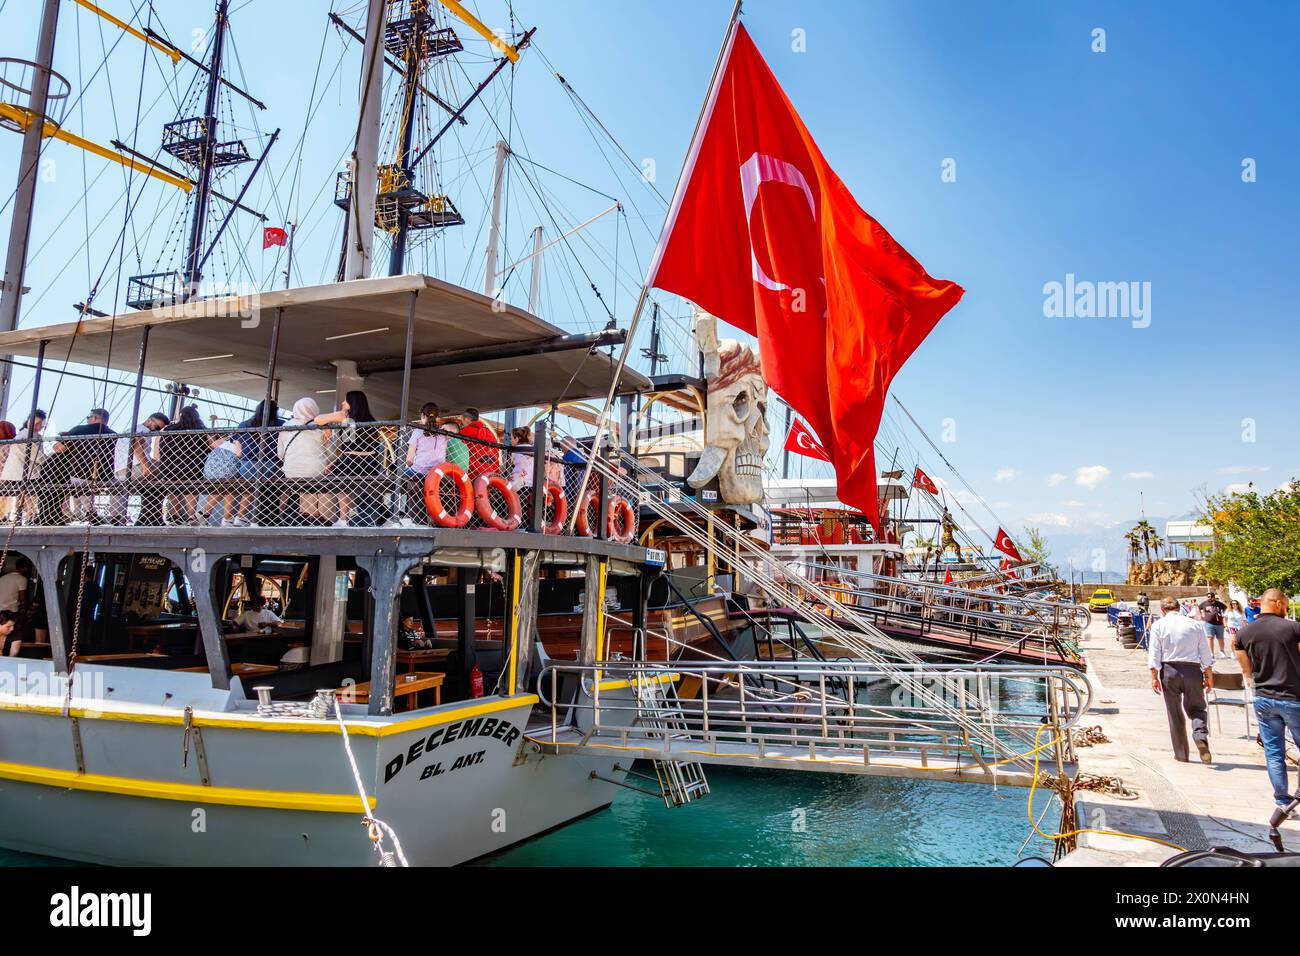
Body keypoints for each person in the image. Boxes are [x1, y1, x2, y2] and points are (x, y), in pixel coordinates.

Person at [1234, 589, 1300, 813]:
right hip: (1293, 697)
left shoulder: (1244, 633)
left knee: (1274, 753)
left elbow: (1246, 669)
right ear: (1278, 604)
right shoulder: (1292, 628)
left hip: (1263, 697)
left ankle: (1283, 803)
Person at [1147, 596, 1215, 763]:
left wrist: (1154, 676)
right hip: (1192, 670)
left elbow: (1154, 652)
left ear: (1163, 610)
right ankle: (1199, 734)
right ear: (1179, 608)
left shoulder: (1158, 625)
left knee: (1174, 713)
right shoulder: (1195, 625)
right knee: (1197, 707)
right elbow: (1205, 652)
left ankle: (1181, 754)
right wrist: (1209, 675)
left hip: (1169, 670)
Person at [315, 390, 384, 527]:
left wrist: (326, 424)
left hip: (351, 464)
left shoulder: (346, 418)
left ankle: (343, 518)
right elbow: (354, 449)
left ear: (352, 404)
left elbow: (317, 419)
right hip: (371, 464)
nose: (342, 403)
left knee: (340, 483)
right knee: (360, 487)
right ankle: (359, 513)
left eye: (345, 401)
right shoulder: (371, 422)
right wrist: (328, 426)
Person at [278, 397, 332, 525]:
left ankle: (308, 516)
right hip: (317, 472)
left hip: (291, 472)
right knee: (322, 478)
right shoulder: (321, 428)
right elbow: (331, 455)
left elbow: (280, 454)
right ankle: (325, 518)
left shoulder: (285, 427)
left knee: (305, 484)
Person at [233, 400, 283, 526]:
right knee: (278, 483)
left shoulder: (244, 425)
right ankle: (277, 517)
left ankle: (240, 517)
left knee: (250, 487)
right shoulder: (281, 425)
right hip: (271, 466)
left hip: (247, 467)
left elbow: (238, 453)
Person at [157, 406, 208, 524]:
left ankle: (175, 516)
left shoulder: (169, 429)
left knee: (174, 490)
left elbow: (161, 449)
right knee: (191, 490)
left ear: (180, 415)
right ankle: (191, 517)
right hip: (192, 467)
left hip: (169, 468)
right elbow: (205, 448)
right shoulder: (200, 430)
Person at [0, 410, 44, 522]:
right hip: (19, 473)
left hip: (25, 473)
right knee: (22, 497)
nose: (36, 426)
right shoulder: (24, 436)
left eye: (39, 424)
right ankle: (18, 519)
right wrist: (49, 462)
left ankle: (22, 518)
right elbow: (38, 457)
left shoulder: (35, 436)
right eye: (34, 422)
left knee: (25, 497)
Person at [201, 429, 242, 525]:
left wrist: (226, 439)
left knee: (221, 487)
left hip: (211, 472)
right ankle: (227, 518)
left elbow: (212, 445)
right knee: (231, 487)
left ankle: (205, 514)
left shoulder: (222, 442)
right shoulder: (238, 442)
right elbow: (239, 454)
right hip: (228, 473)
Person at [405, 402, 446, 478]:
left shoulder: (417, 431)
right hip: (438, 474)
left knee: (400, 474)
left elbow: (409, 460)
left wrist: (412, 466)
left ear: (422, 416)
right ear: (437, 417)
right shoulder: (443, 433)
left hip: (419, 472)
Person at [459, 408, 498, 480]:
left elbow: (458, 452)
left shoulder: (465, 432)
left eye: (462, 420)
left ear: (467, 419)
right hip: (491, 473)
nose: (462, 424)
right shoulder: (489, 433)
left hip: (472, 474)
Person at [1199, 589, 1229, 659]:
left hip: (1219, 624)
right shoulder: (1204, 603)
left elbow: (1226, 608)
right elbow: (1198, 608)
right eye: (1208, 597)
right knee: (1210, 638)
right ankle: (1211, 653)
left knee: (1220, 638)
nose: (1209, 598)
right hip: (1209, 623)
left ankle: (1222, 651)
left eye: (1211, 597)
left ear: (1214, 597)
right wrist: (1200, 615)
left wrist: (1224, 616)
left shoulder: (1219, 604)